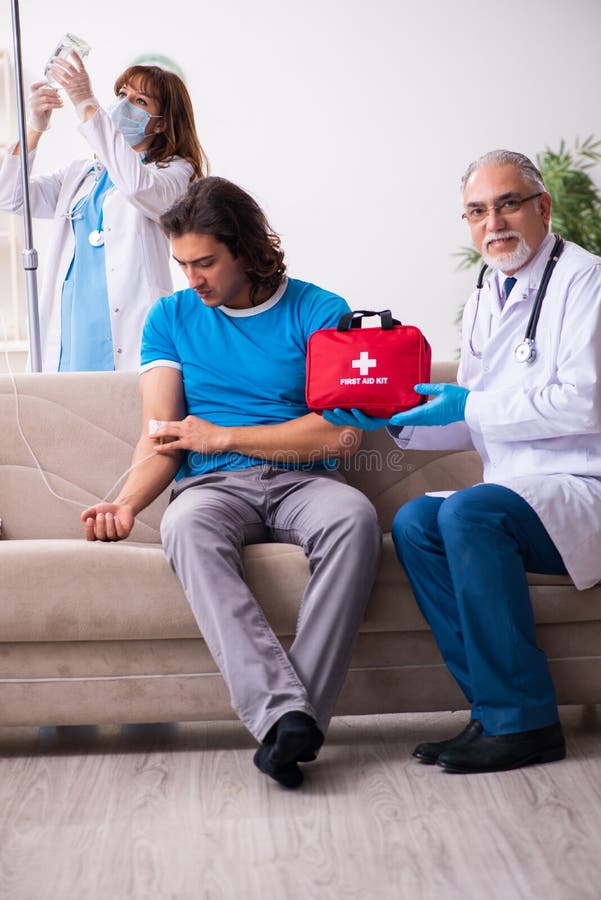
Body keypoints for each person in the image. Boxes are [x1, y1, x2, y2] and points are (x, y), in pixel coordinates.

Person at [80, 176, 381, 788]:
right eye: (183, 264)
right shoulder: (168, 317)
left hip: (307, 481)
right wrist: (126, 504)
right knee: (184, 526)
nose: (194, 279)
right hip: (213, 490)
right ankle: (288, 720)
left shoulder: (321, 311)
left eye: (207, 262)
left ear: (245, 248)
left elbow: (338, 437)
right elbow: (163, 433)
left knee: (355, 519)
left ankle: (285, 722)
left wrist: (221, 436)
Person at [323, 149, 601, 774]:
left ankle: (524, 723)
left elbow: (581, 405)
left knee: (470, 513)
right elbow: (471, 417)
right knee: (419, 523)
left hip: (585, 484)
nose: (493, 223)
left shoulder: (587, 282)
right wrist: (391, 419)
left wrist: (469, 403)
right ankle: (493, 709)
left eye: (507, 204)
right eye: (478, 211)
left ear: (542, 207)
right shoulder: (488, 289)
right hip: (520, 492)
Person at [0, 54, 208, 371]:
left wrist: (86, 103)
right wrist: (34, 128)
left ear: (162, 123)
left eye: (140, 101)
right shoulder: (82, 173)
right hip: (70, 330)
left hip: (129, 334)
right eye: (122, 95)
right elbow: (10, 196)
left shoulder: (175, 174)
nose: (124, 105)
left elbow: (139, 188)